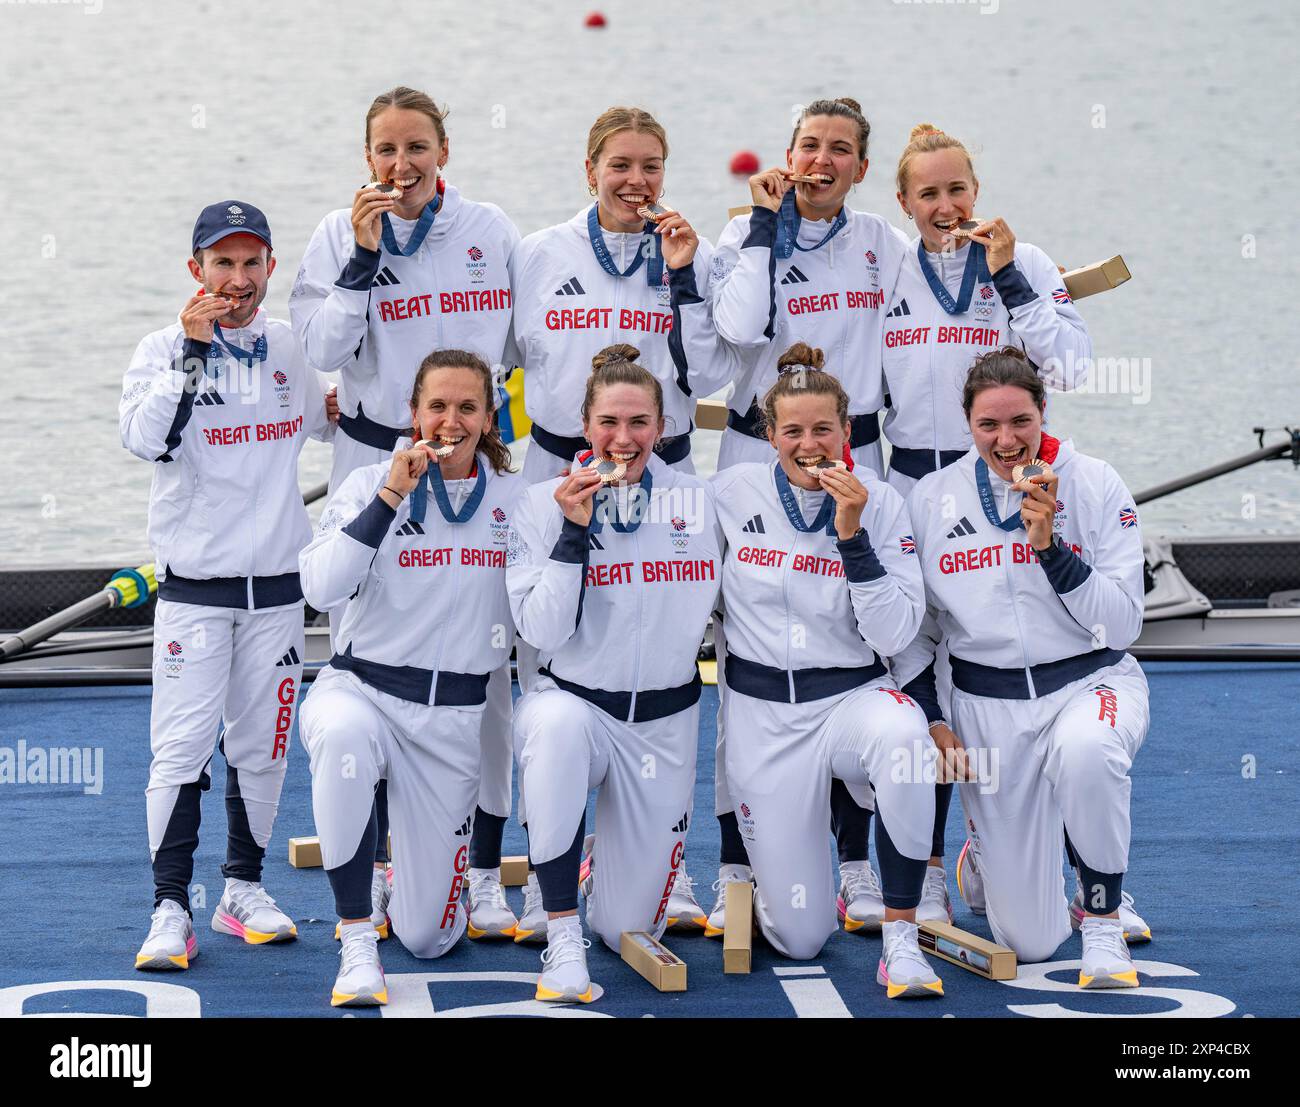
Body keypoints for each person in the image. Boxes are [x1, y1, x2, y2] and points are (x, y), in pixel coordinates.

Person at [290, 86, 520, 936]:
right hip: (377, 455)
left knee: (486, 671)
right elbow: (321, 349)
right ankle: (381, 857)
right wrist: (359, 257)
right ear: (366, 160)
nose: (401, 164)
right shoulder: (335, 233)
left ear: (444, 152)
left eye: (417, 146)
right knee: (371, 649)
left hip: (471, 447)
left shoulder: (489, 231)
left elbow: (534, 343)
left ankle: (484, 869)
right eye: (385, 150)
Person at [506, 106, 733, 937]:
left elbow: (707, 372)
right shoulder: (538, 254)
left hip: (659, 464)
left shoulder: (689, 252)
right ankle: (547, 868)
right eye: (620, 165)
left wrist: (681, 277)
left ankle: (658, 857)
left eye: (651, 167)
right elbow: (492, 357)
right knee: (549, 661)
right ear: (590, 168)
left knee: (658, 636)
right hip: (558, 464)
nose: (636, 182)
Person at [706, 97, 908, 936]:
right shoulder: (740, 234)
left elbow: (919, 348)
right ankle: (732, 868)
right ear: (785, 156)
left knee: (854, 645)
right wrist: (764, 229)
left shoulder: (883, 247)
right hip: (758, 451)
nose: (822, 162)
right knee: (742, 659)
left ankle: (856, 858)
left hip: (850, 451)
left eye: (841, 151)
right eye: (809, 147)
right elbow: (738, 326)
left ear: (862, 169)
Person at [121, 200, 334, 971]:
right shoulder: (159, 349)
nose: (238, 280)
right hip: (195, 593)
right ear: (196, 271)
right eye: (223, 264)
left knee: (263, 747)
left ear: (271, 268)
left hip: (278, 589)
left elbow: (334, 421)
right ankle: (171, 905)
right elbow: (146, 440)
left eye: (252, 264)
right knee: (179, 751)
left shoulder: (289, 348)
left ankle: (243, 887)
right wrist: (192, 347)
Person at [893, 347, 1149, 988]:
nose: (1007, 440)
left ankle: (1101, 923)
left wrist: (1051, 549)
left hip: (1089, 681)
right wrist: (931, 716)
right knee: (1029, 943)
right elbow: (916, 632)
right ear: (968, 425)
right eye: (988, 426)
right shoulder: (931, 498)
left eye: (1021, 422)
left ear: (1044, 413)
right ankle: (984, 854)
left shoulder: (1093, 482)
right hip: (989, 706)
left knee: (1088, 752)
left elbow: (1122, 625)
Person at [711, 344, 943, 998]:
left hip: (852, 700)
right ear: (770, 434)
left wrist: (852, 536)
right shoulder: (729, 494)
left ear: (847, 433)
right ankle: (769, 875)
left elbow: (896, 632)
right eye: (793, 431)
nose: (809, 443)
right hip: (765, 715)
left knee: (904, 737)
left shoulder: (883, 501)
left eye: (823, 430)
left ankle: (900, 937)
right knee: (801, 935)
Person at [298, 350, 524, 1006]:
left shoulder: (516, 499)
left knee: (432, 935)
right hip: (360, 690)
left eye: (466, 408)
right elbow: (319, 584)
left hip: (450, 721)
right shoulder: (371, 481)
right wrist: (390, 497)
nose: (449, 420)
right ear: (414, 413)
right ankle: (357, 933)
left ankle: (405, 876)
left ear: (488, 418)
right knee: (342, 742)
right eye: (437, 406)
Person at [506, 347, 722, 1002]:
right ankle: (561, 929)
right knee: (554, 724)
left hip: (663, 722)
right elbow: (541, 632)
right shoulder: (541, 503)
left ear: (661, 427)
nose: (622, 439)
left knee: (628, 925)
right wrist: (574, 533)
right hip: (577, 704)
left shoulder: (700, 502)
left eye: (638, 423)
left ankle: (600, 871)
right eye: (608, 422)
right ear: (584, 422)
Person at [882, 122, 1091, 498]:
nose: (947, 207)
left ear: (975, 190)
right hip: (909, 486)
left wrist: (1010, 280)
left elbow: (1070, 369)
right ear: (904, 203)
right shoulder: (890, 269)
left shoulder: (1026, 261)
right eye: (928, 194)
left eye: (957, 189)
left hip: (1002, 478)